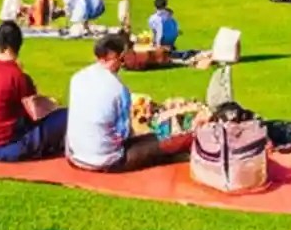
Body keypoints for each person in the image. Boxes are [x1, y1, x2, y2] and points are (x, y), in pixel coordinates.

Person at [66, 34, 198, 173]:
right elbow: (124, 134)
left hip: (75, 156)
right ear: (116, 56)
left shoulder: (78, 78)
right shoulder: (118, 89)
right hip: (106, 161)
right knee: (168, 141)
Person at [0, 21, 68, 162]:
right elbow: (36, 111)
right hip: (8, 145)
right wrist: (53, 103)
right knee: (66, 116)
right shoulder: (18, 76)